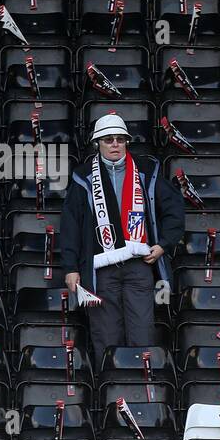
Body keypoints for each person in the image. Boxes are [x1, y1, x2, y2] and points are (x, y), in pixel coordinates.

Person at [61, 114, 185, 368]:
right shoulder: (83, 177)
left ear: (127, 142)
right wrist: (71, 267)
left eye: (120, 139)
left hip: (140, 268)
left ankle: (141, 389)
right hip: (100, 271)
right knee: (106, 338)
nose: (115, 144)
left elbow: (174, 209)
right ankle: (111, 392)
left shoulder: (147, 171)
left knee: (142, 334)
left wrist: (163, 244)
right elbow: (70, 224)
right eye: (108, 140)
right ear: (98, 144)